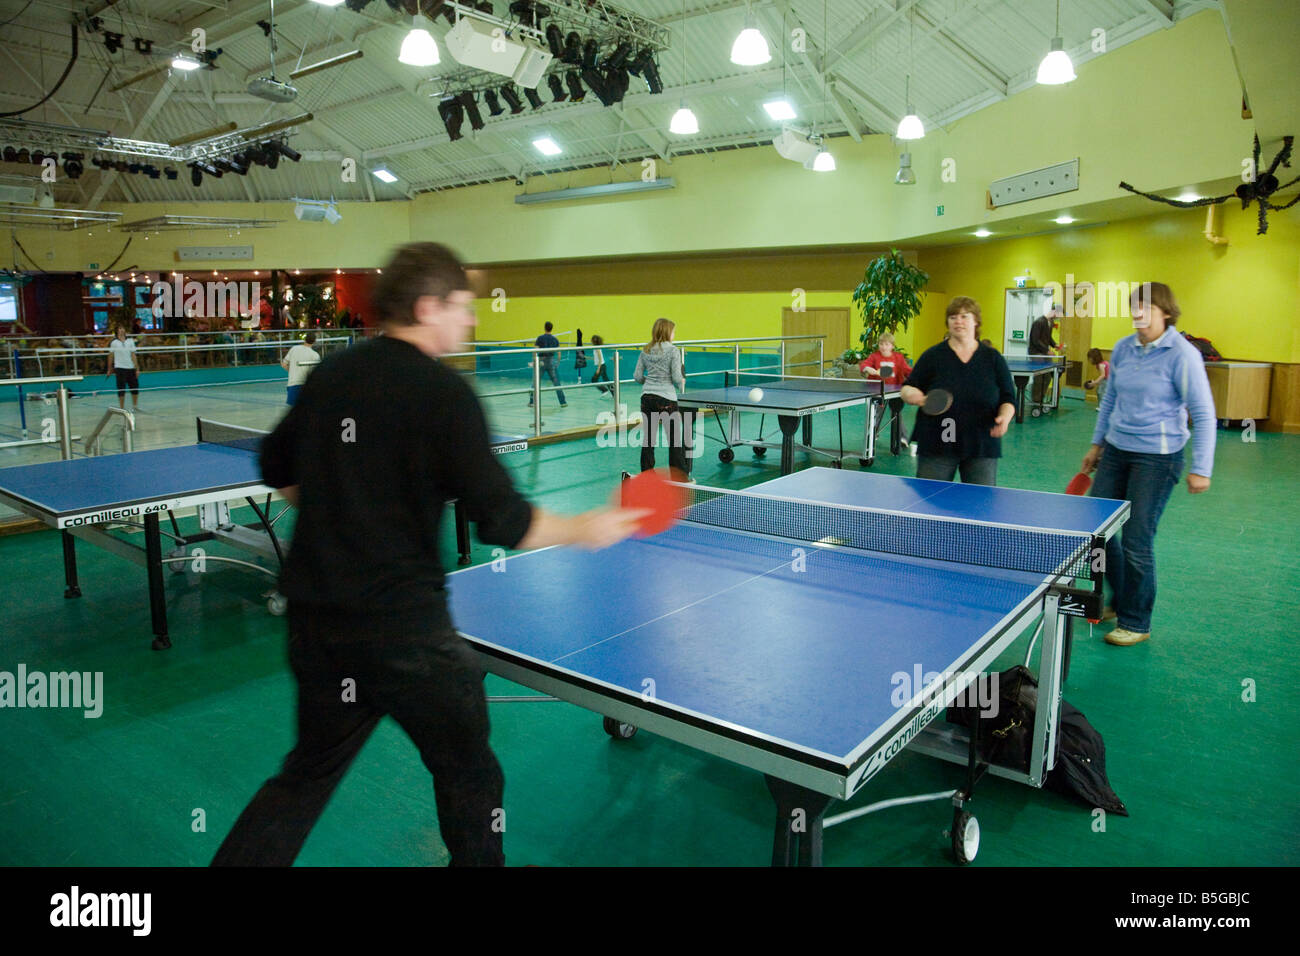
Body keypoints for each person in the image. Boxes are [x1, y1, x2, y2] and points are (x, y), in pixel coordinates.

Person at [210, 242, 647, 867]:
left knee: (306, 775)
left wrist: (342, 505)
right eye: (462, 307)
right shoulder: (445, 395)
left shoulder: (332, 376)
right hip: (404, 635)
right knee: (470, 773)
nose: (471, 321)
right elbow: (503, 521)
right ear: (426, 306)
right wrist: (586, 527)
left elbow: (275, 464)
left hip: (315, 625)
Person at [1080, 282, 1215, 647]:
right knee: (1099, 531)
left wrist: (1201, 467)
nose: (1139, 315)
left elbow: (1203, 413)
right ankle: (1120, 598)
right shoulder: (1123, 348)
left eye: (1147, 309)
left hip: (1158, 457)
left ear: (1166, 312)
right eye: (1135, 308)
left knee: (1137, 539)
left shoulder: (1182, 354)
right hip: (1116, 450)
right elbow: (1109, 402)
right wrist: (1097, 444)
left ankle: (1136, 620)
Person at [900, 297, 1016, 486]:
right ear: (948, 322)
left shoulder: (993, 358)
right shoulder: (932, 356)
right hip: (937, 442)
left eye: (964, 316)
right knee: (929, 502)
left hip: (981, 443)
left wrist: (1005, 416)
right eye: (953, 317)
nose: (958, 321)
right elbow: (907, 387)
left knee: (979, 504)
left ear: (976, 321)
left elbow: (1008, 397)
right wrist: (911, 394)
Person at [634, 317, 691, 476]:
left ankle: (646, 474)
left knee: (648, 439)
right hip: (666, 399)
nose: (674, 334)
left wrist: (650, 383)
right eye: (673, 331)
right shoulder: (673, 351)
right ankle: (679, 476)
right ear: (667, 332)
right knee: (674, 440)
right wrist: (682, 381)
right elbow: (676, 378)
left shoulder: (645, 350)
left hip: (647, 397)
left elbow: (637, 376)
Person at [858, 332, 915, 453]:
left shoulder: (898, 358)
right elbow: (864, 365)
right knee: (876, 414)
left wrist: (917, 377)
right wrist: (868, 369)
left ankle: (902, 438)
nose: (884, 347)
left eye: (887, 344)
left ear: (892, 346)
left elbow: (907, 371)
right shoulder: (874, 357)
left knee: (897, 414)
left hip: (895, 392)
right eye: (881, 344)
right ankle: (873, 434)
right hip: (877, 390)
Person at [1028, 303, 1064, 407]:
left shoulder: (1050, 323)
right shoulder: (1038, 322)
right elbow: (1035, 340)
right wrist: (1046, 351)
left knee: (1047, 377)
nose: (1058, 318)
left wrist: (1054, 345)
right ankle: (1035, 400)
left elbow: (1048, 338)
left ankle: (1041, 399)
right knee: (1039, 377)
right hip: (1036, 353)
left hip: (1044, 353)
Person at [528, 321, 566, 409]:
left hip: (541, 361)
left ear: (544, 328)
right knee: (557, 382)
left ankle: (532, 402)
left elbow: (535, 351)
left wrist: (534, 361)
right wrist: (557, 363)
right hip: (551, 361)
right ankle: (563, 402)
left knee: (535, 382)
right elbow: (559, 353)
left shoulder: (540, 338)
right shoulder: (555, 339)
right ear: (551, 328)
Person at [106, 325, 141, 411]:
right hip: (120, 368)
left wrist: (137, 368)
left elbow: (133, 355)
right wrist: (109, 369)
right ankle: (122, 408)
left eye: (122, 328)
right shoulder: (114, 343)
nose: (121, 330)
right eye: (119, 328)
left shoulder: (130, 341)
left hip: (130, 367)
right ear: (116, 331)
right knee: (121, 388)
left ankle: (135, 406)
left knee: (135, 387)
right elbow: (111, 356)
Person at [280, 331, 320, 405]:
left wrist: (292, 371)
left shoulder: (294, 349)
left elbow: (284, 364)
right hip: (306, 385)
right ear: (314, 341)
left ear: (304, 339)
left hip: (293, 383)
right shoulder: (315, 355)